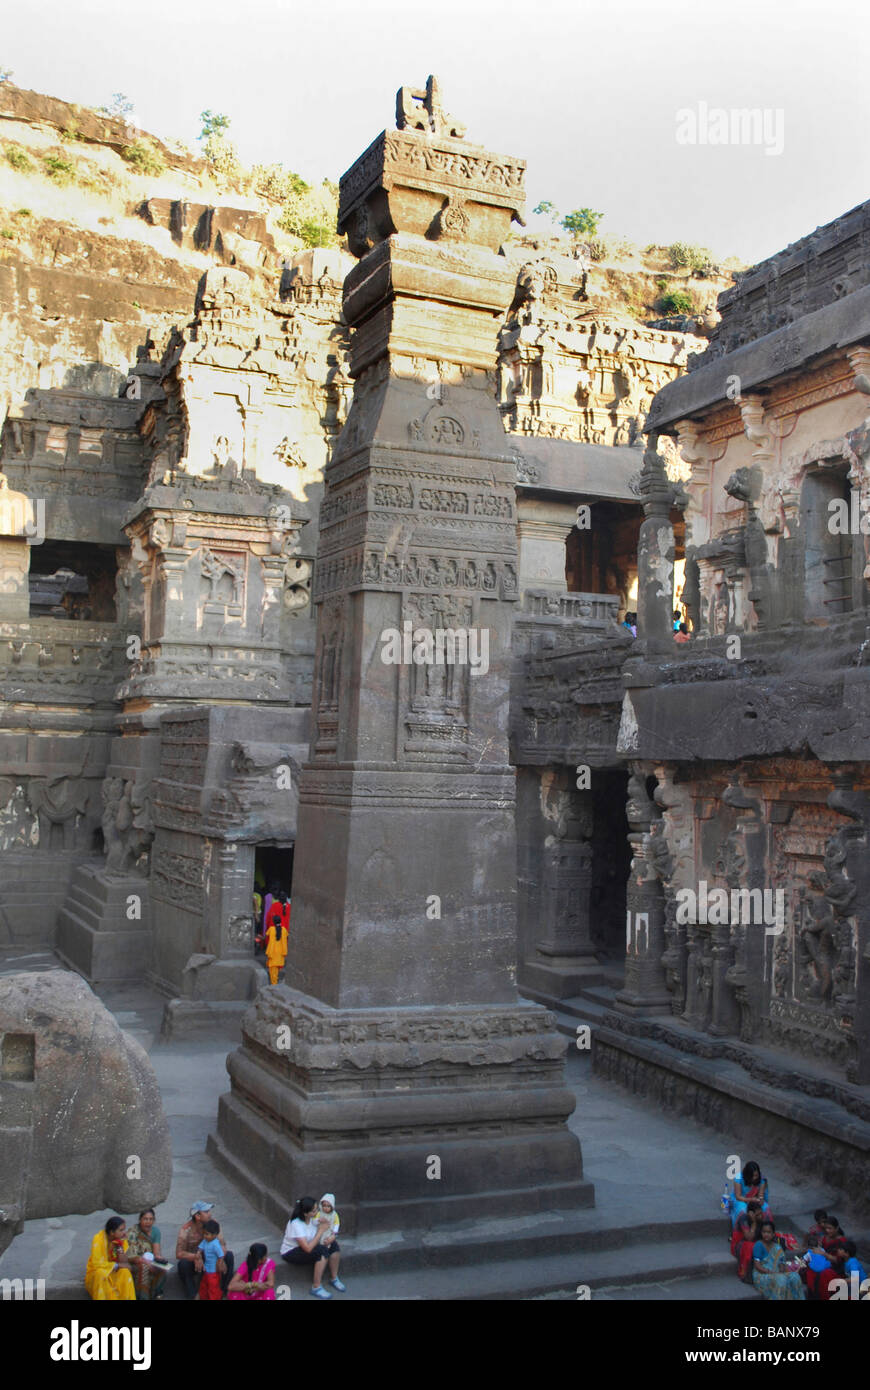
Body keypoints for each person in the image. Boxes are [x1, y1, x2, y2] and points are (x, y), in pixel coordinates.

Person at [280, 1196, 344, 1299]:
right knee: (322, 1251)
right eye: (315, 1211)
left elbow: (328, 1228)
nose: (318, 1212)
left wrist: (331, 1237)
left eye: (317, 1208)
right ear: (306, 1213)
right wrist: (321, 1231)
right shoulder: (296, 1224)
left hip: (309, 1245)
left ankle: (334, 1278)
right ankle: (316, 1287)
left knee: (334, 1246)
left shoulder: (312, 1218)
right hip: (291, 1252)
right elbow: (307, 1248)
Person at [176, 1201, 235, 1299]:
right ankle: (193, 1295)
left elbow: (222, 1244)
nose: (210, 1214)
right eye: (206, 1212)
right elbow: (179, 1253)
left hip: (212, 1259)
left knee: (229, 1256)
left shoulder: (214, 1224)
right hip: (195, 1261)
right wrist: (196, 1257)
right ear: (198, 1216)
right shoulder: (185, 1229)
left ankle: (225, 1291)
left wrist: (221, 1259)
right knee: (183, 1265)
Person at [85, 1216, 136, 1301]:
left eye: (124, 1229)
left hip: (113, 1270)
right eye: (121, 1230)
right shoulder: (98, 1239)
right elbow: (97, 1264)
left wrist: (120, 1246)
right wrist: (117, 1265)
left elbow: (124, 1263)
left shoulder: (121, 1240)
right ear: (112, 1232)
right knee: (100, 1274)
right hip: (97, 1272)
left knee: (125, 1272)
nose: (124, 1233)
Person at [752, 1220, 806, 1300]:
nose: (766, 1234)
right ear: (761, 1233)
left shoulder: (777, 1247)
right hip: (762, 1274)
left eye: (769, 1232)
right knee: (781, 1279)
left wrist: (782, 1269)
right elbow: (757, 1265)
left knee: (795, 1277)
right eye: (764, 1232)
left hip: (777, 1273)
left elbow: (781, 1263)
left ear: (773, 1234)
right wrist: (771, 1272)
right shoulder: (758, 1245)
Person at [126, 1207, 167, 1301]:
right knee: (143, 1267)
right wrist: (147, 1263)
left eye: (151, 1219)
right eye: (145, 1219)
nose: (148, 1222)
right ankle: (142, 1297)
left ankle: (156, 1293)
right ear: (140, 1220)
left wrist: (160, 1260)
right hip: (135, 1262)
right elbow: (132, 1256)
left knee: (162, 1268)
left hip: (149, 1260)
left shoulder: (156, 1231)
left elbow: (156, 1253)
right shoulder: (133, 1232)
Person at [730, 1202, 763, 1283]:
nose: (761, 1216)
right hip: (739, 1244)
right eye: (758, 1214)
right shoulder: (744, 1219)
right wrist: (754, 1223)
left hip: (754, 1242)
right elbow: (749, 1238)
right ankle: (746, 1275)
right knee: (751, 1247)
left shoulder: (760, 1219)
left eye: (761, 1213)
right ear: (751, 1213)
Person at [731, 1160, 770, 1227]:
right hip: (741, 1199)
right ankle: (739, 1231)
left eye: (756, 1175)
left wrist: (760, 1200)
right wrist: (751, 1200)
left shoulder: (762, 1179)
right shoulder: (738, 1178)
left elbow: (760, 1195)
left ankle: (765, 1230)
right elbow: (738, 1196)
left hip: (754, 1200)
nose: (755, 1178)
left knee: (765, 1208)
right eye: (752, 1176)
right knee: (742, 1209)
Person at [265, 890, 290, 985]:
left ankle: (274, 982)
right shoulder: (289, 907)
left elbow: (268, 918)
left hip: (274, 940)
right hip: (284, 937)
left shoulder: (275, 906)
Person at [197, 1219, 225, 1301]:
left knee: (213, 1288)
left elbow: (221, 1255)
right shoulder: (205, 1241)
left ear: (215, 1235)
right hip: (207, 1269)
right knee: (204, 1286)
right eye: (204, 1233)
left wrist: (219, 1264)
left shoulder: (215, 1244)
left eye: (207, 1234)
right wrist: (198, 1253)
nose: (205, 1236)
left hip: (213, 1271)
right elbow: (200, 1248)